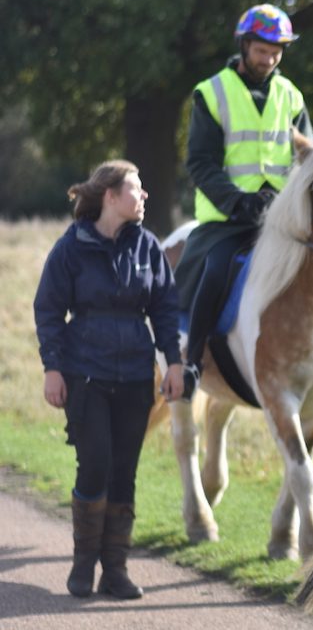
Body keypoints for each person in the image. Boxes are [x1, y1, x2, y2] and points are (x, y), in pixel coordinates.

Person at [175, 3, 313, 402]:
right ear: (244, 46)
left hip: (285, 217)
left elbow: (308, 159)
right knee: (215, 269)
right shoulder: (211, 93)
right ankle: (192, 361)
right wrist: (236, 201)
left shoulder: (291, 95)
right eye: (262, 50)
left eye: (276, 51)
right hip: (229, 217)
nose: (269, 59)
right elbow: (200, 162)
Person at [34, 160, 185, 600]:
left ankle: (115, 571)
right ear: (111, 196)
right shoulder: (71, 247)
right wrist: (52, 368)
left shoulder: (148, 247)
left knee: (124, 472)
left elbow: (165, 308)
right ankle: (83, 565)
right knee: (95, 463)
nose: (144, 196)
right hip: (85, 373)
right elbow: (48, 310)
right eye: (136, 189)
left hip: (136, 375)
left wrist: (174, 363)